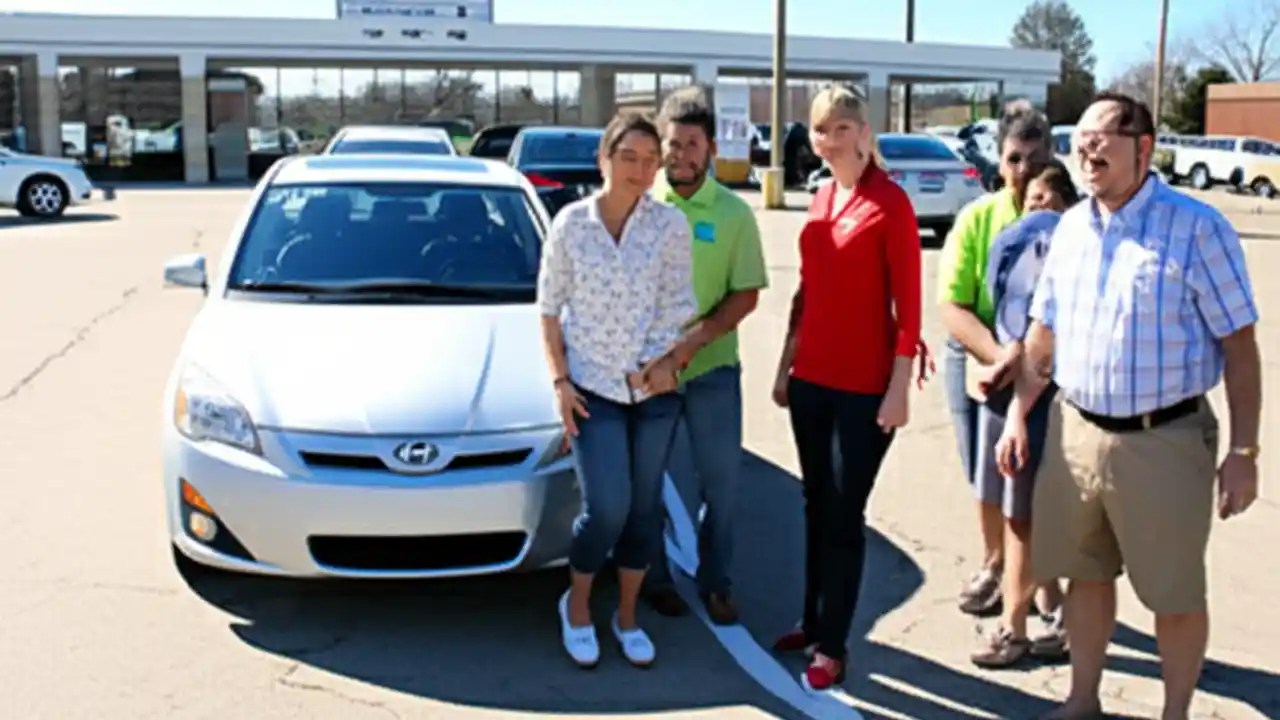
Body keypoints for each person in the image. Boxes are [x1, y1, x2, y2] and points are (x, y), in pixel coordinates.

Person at [997, 92, 1261, 720]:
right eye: (1080, 138)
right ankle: (1083, 700)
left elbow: (1241, 349)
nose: (1087, 150)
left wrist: (1244, 451)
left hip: (1164, 440)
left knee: (1173, 594)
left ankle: (1175, 713)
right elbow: (1043, 334)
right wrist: (1017, 411)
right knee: (1085, 576)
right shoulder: (1070, 231)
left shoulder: (1198, 227)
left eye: (1103, 137)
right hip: (1076, 431)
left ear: (1144, 146)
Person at [770, 85, 926, 692]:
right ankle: (811, 621)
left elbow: (908, 308)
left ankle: (833, 646)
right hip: (811, 380)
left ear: (864, 133)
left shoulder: (891, 204)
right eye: (818, 130)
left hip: (865, 390)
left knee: (843, 513)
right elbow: (806, 294)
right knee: (815, 506)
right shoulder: (821, 198)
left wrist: (899, 387)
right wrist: (787, 365)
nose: (828, 140)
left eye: (840, 128)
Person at [537, 110, 699, 670]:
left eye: (650, 160)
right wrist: (560, 381)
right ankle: (577, 606)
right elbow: (550, 309)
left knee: (644, 511)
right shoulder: (571, 225)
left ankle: (626, 617)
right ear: (603, 159)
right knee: (606, 507)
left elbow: (678, 304)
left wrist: (658, 365)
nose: (640, 170)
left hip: (654, 390)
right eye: (628, 157)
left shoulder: (668, 226)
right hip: (593, 390)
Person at [640, 87, 769, 625]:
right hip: (651, 375)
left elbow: (746, 294)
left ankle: (716, 581)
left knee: (722, 486)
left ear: (711, 147)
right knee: (645, 483)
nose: (681, 155)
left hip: (713, 372)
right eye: (673, 144)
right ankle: (655, 580)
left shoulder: (735, 213)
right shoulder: (642, 205)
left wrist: (695, 340)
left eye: (692, 144)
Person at [937, 102, 1053, 617]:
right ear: (998, 161)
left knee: (1043, 479)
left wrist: (1029, 359)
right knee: (986, 471)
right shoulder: (977, 219)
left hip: (1045, 364)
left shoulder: (1068, 218)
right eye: (1013, 159)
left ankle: (1042, 580)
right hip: (980, 357)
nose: (1024, 170)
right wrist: (999, 357)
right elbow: (952, 304)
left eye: (1035, 157)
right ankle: (995, 563)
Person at [967, 159, 1079, 669]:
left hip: (1049, 399)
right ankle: (1035, 612)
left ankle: (1027, 625)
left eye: (1055, 204)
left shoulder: (1077, 256)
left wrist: (1016, 359)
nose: (1043, 213)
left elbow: (1048, 333)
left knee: (1038, 518)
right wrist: (999, 357)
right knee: (1013, 513)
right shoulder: (1004, 245)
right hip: (1005, 393)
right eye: (1035, 201)